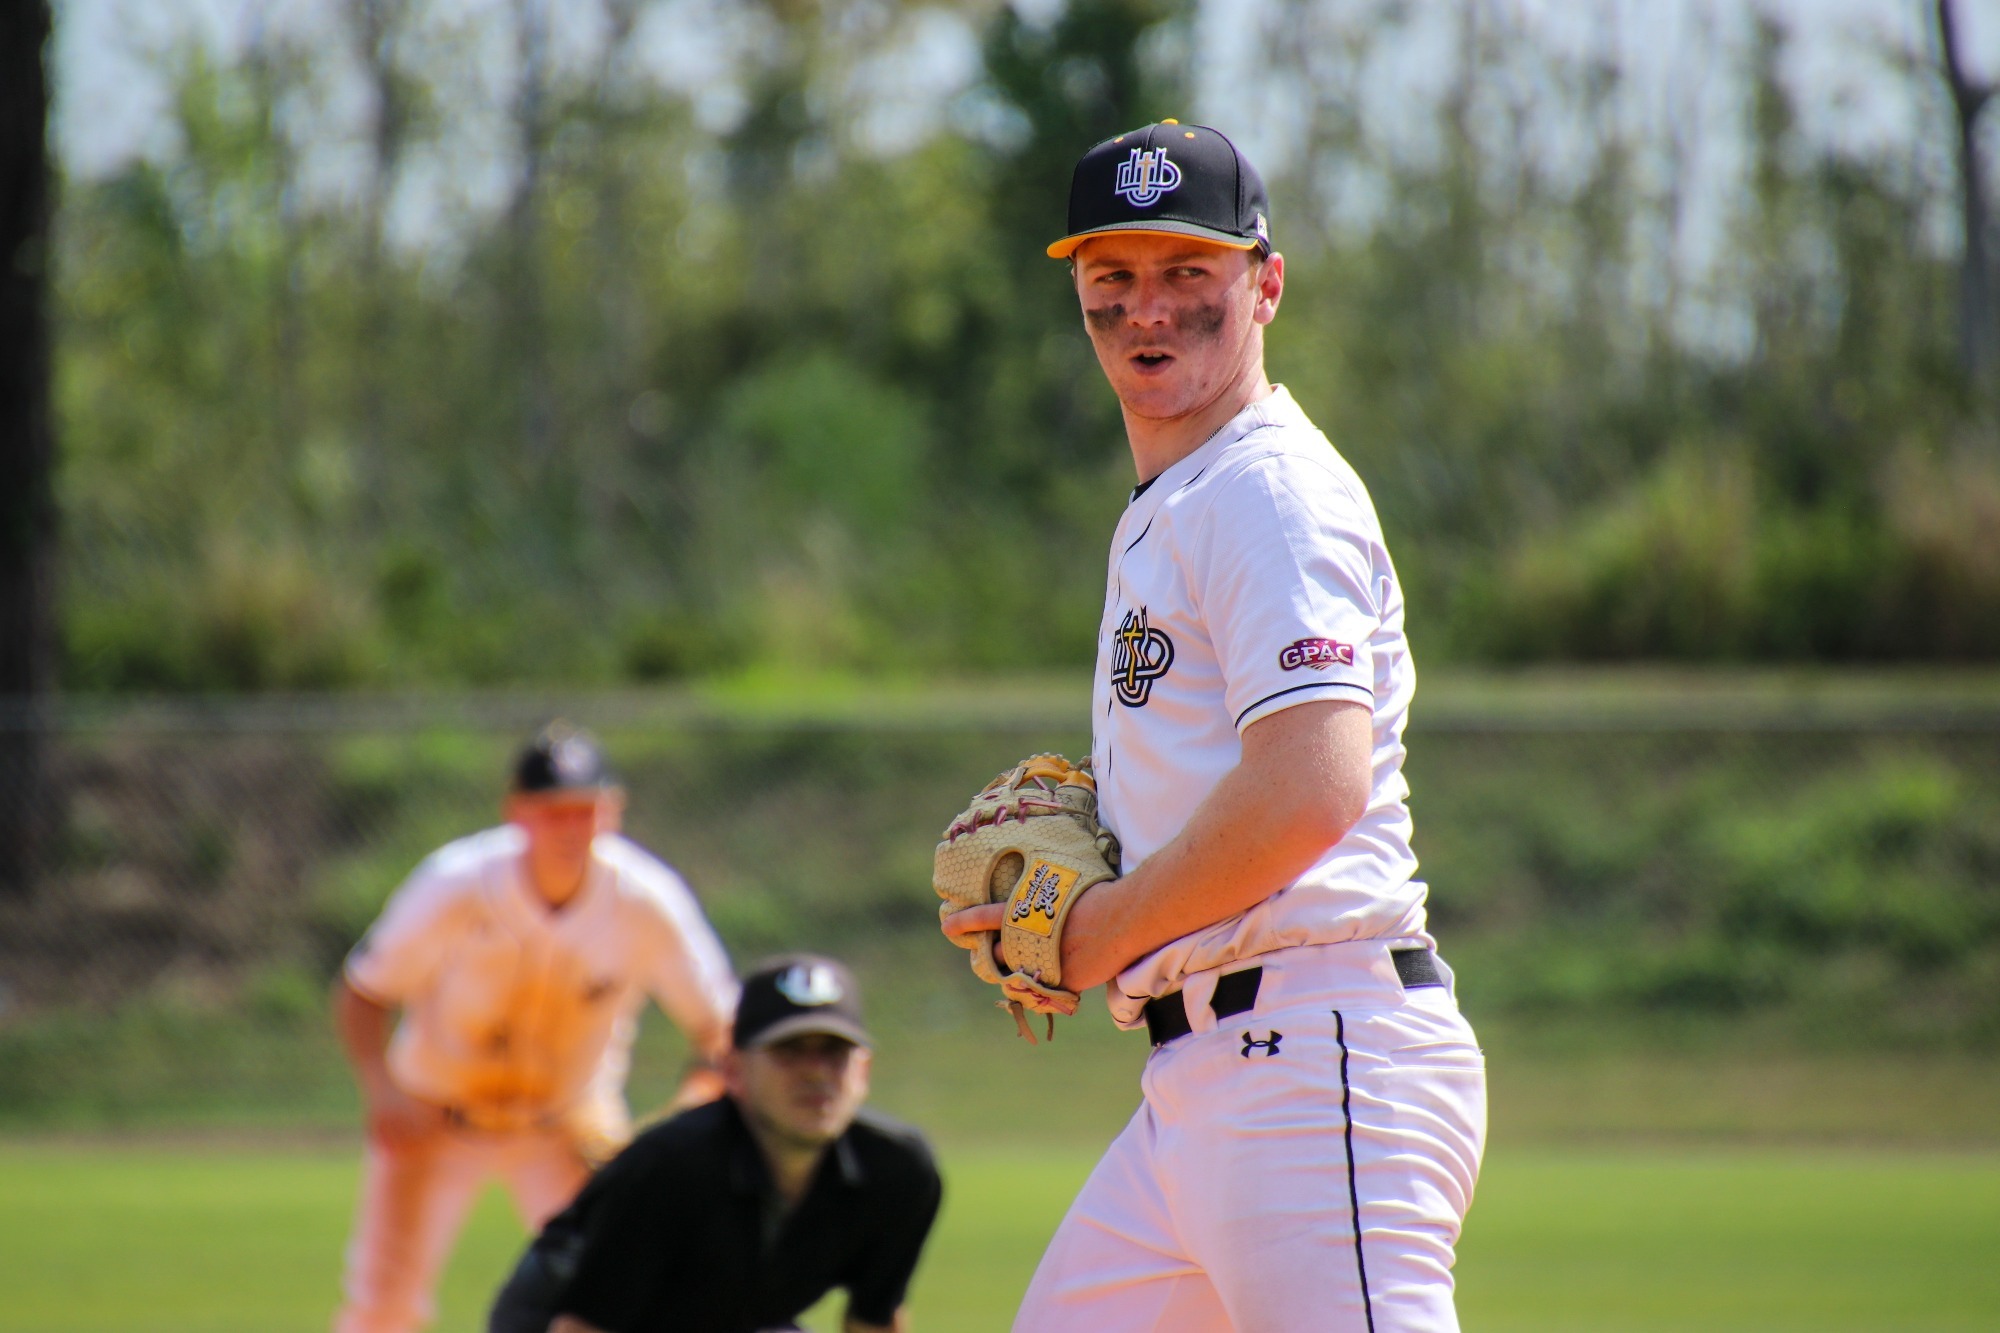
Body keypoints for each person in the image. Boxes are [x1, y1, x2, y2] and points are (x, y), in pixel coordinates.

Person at [942, 121, 1487, 1330]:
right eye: (1111, 281)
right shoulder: (1179, 499)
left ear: (1264, 283)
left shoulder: (1262, 488)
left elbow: (1310, 785)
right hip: (1204, 1086)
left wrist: (1092, 933)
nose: (1148, 310)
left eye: (1188, 271)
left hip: (1309, 1059)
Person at [332, 723, 739, 1333]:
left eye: (587, 810)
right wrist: (380, 1087)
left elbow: (721, 1029)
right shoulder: (457, 882)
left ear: (614, 812)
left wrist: (681, 1118)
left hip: (567, 1125)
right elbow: (365, 991)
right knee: (384, 1304)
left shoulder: (643, 900)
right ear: (516, 812)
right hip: (437, 1113)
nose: (573, 828)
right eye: (554, 812)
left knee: (618, 1294)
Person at [487, 953, 942, 1333]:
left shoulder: (898, 1173)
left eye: (834, 1052)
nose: (816, 1072)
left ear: (863, 1071)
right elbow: (583, 1326)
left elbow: (874, 1321)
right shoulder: (669, 1169)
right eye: (789, 1050)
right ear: (732, 1071)